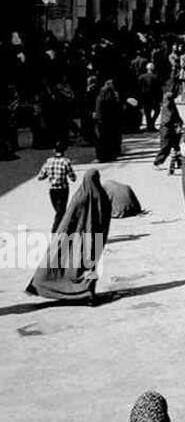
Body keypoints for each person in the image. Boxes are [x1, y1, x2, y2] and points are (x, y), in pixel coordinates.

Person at [26, 168, 112, 304]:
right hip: (95, 239)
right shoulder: (102, 197)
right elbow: (105, 219)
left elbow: (68, 219)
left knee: (67, 261)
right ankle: (89, 292)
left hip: (76, 237)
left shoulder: (79, 196)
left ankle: (50, 286)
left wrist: (60, 237)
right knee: (90, 265)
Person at [36, 140, 75, 233]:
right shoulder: (66, 162)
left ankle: (63, 228)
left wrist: (50, 174)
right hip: (63, 189)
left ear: (54, 150)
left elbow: (40, 177)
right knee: (61, 211)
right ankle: (57, 230)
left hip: (53, 190)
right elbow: (72, 177)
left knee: (58, 211)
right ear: (65, 150)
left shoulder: (49, 162)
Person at [93, 80, 122, 162]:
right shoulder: (113, 100)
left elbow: (98, 112)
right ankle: (111, 155)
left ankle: (101, 157)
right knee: (110, 140)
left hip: (101, 123)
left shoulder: (100, 99)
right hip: (111, 122)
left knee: (101, 140)